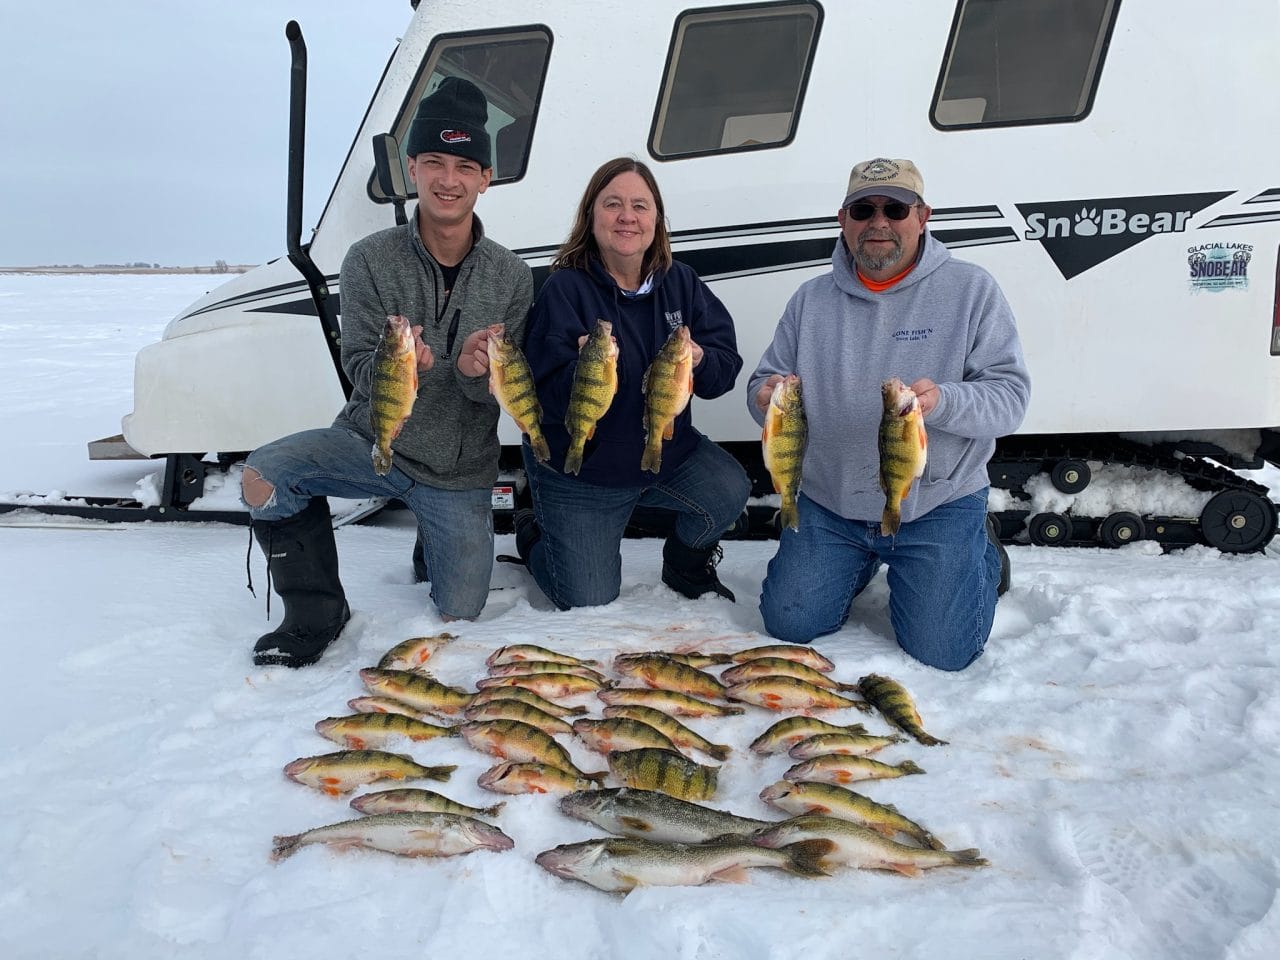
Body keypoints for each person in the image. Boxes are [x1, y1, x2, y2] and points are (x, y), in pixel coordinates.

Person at [240, 77, 534, 667]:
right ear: (411, 168)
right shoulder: (368, 259)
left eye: (463, 165)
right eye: (433, 162)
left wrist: (478, 371)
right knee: (264, 475)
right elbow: (356, 368)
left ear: (486, 177)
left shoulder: (512, 276)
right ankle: (315, 614)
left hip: (457, 468)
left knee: (460, 612)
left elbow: (500, 392)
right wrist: (398, 367)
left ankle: (437, 538)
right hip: (372, 443)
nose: (448, 179)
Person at [747, 157, 1030, 671]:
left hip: (935, 504)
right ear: (843, 220)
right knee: (789, 625)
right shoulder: (809, 300)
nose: (878, 221)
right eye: (863, 209)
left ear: (922, 217)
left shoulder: (971, 289)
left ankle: (978, 555)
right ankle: (854, 559)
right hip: (830, 504)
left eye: (895, 208)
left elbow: (1010, 399)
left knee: (944, 653)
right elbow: (759, 386)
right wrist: (765, 396)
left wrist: (943, 402)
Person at [510, 157, 750, 609]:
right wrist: (584, 372)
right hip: (583, 471)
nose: (627, 216)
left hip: (663, 454)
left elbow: (725, 368)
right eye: (613, 203)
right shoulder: (565, 290)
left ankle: (685, 562)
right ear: (591, 216)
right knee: (586, 598)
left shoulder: (682, 283)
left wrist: (699, 361)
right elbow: (542, 395)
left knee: (729, 489)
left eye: (640, 205)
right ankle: (534, 532)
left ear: (656, 219)